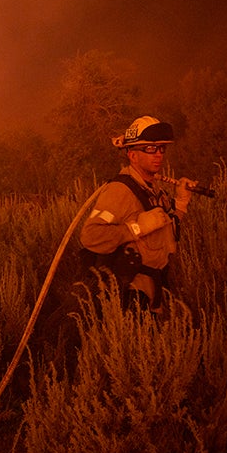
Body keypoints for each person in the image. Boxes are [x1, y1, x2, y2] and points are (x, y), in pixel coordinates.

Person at [79, 116, 196, 314]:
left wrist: (181, 203)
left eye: (161, 148)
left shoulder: (153, 190)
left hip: (155, 296)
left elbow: (167, 235)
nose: (158, 154)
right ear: (132, 155)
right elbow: (90, 236)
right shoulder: (120, 191)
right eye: (150, 149)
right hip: (131, 300)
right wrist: (136, 228)